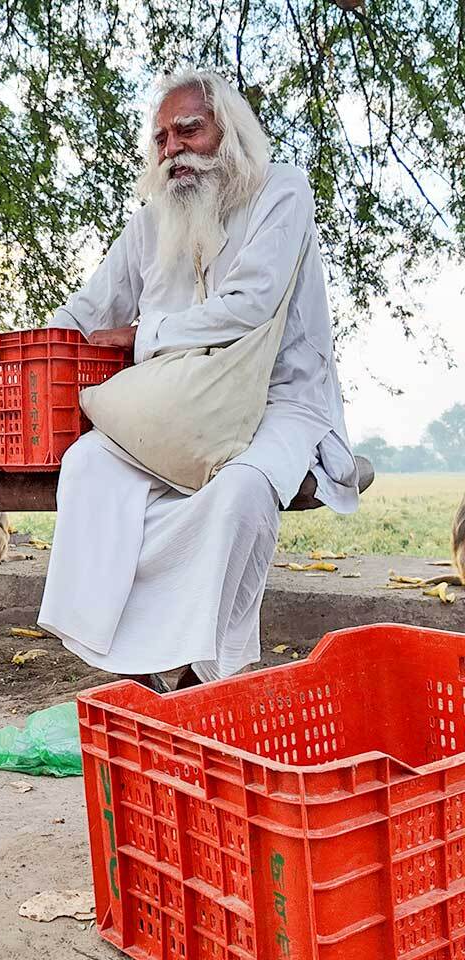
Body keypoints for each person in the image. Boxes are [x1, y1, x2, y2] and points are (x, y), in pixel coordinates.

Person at [37, 70, 361, 692]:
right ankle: (139, 668)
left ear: (228, 132)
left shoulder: (280, 191)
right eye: (161, 139)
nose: (173, 149)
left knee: (240, 493)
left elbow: (252, 303)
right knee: (88, 467)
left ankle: (204, 675)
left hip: (276, 403)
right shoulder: (149, 223)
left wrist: (145, 336)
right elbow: (87, 312)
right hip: (169, 408)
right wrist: (24, 349)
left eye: (189, 130)